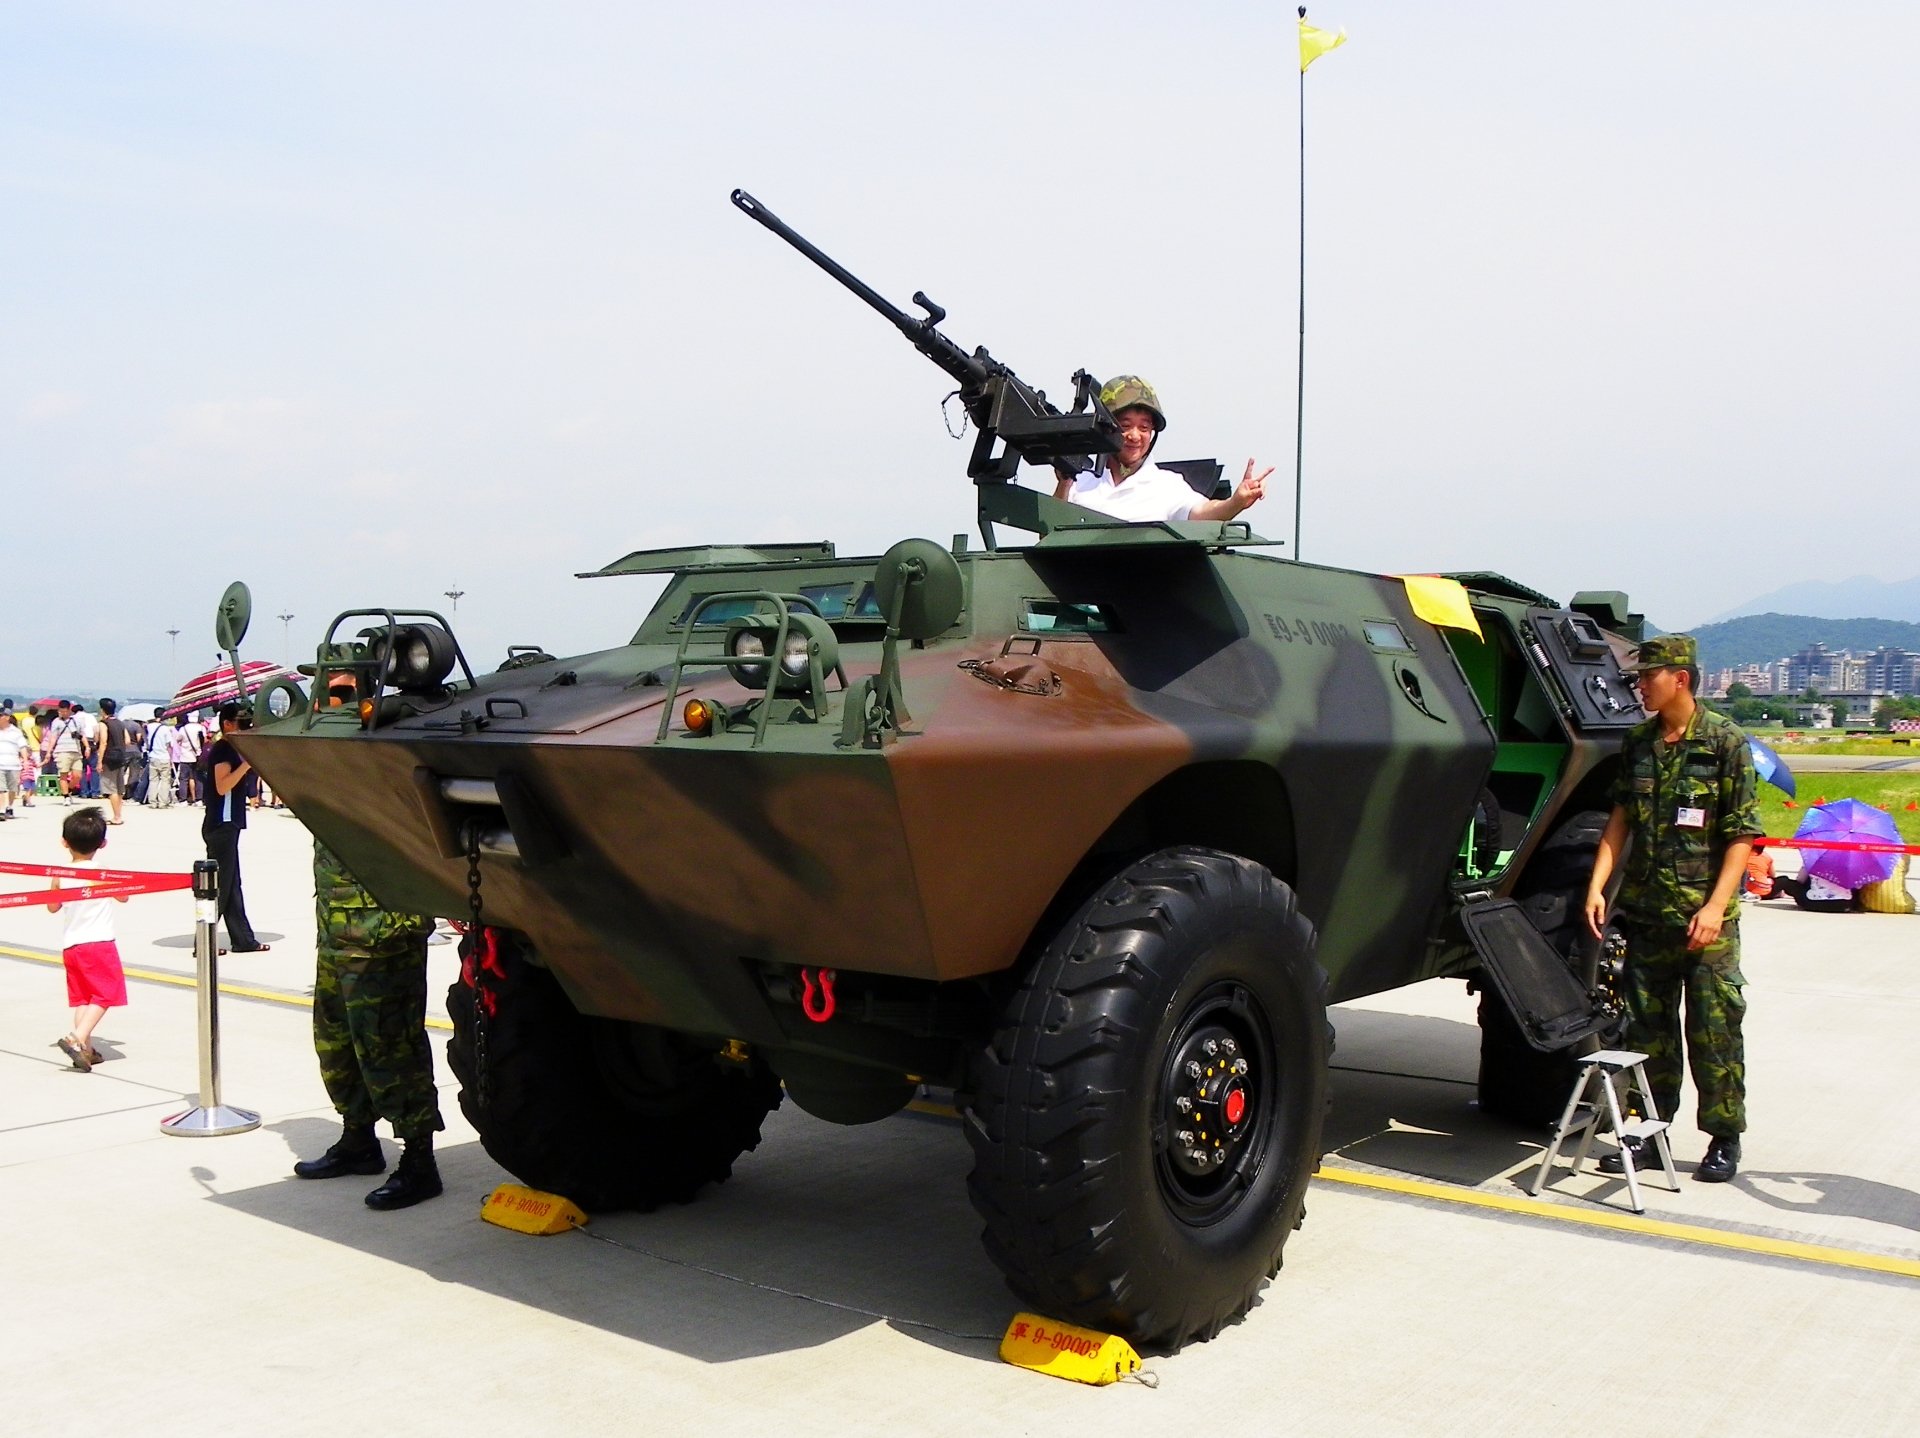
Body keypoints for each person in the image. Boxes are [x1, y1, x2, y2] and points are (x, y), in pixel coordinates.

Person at [1584, 634, 1760, 1183]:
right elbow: (1620, 820)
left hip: (1706, 923)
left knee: (1714, 1033)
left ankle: (1723, 1139)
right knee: (1648, 1034)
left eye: (1648, 677)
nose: (1640, 686)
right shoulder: (1638, 743)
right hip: (1647, 915)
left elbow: (1741, 835)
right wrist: (1598, 884)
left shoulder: (1726, 742)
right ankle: (1647, 1133)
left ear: (1680, 678)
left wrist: (1715, 907)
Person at [292, 839, 445, 1210]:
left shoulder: (379, 781)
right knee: (335, 1041)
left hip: (384, 932)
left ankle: (419, 1160)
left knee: (391, 1044)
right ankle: (358, 1139)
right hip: (335, 930)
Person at [1051, 375, 1272, 523]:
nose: (1135, 436)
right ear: (1107, 428)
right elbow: (1047, 536)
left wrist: (1236, 502)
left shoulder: (1166, 486)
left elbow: (1203, 513)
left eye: (1144, 427)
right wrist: (1064, 482)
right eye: (1125, 426)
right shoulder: (1081, 482)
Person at [48, 807, 130, 1071]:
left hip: (72, 944)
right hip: (99, 941)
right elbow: (124, 896)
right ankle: (76, 1038)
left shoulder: (59, 874)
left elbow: (52, 907)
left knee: (84, 997)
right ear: (102, 843)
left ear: (65, 842)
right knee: (105, 993)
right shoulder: (101, 873)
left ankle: (87, 1049)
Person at [202, 702, 269, 954]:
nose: (246, 728)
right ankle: (204, 940)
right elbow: (222, 786)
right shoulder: (222, 749)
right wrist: (245, 765)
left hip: (229, 825)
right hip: (221, 823)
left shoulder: (234, 748)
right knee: (221, 886)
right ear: (227, 724)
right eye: (242, 724)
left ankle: (243, 939)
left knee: (232, 885)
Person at [94, 697, 132, 825]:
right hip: (120, 757)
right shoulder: (120, 723)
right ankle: (118, 814)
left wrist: (99, 761)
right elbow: (127, 740)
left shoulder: (103, 724)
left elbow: (103, 742)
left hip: (109, 758)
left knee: (111, 789)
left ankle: (117, 816)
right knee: (119, 788)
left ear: (102, 710)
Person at [0, 709, 27, 818]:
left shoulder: (16, 732)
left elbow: (22, 747)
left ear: (7, 717)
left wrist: (25, 761)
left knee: (13, 788)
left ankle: (9, 807)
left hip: (13, 764)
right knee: (0, 788)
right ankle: (1, 810)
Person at [144, 716, 175, 808]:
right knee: (165, 780)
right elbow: (169, 745)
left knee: (153, 780)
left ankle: (153, 801)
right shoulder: (165, 729)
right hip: (164, 756)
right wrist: (171, 758)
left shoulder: (149, 727)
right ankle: (162, 802)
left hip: (153, 756)